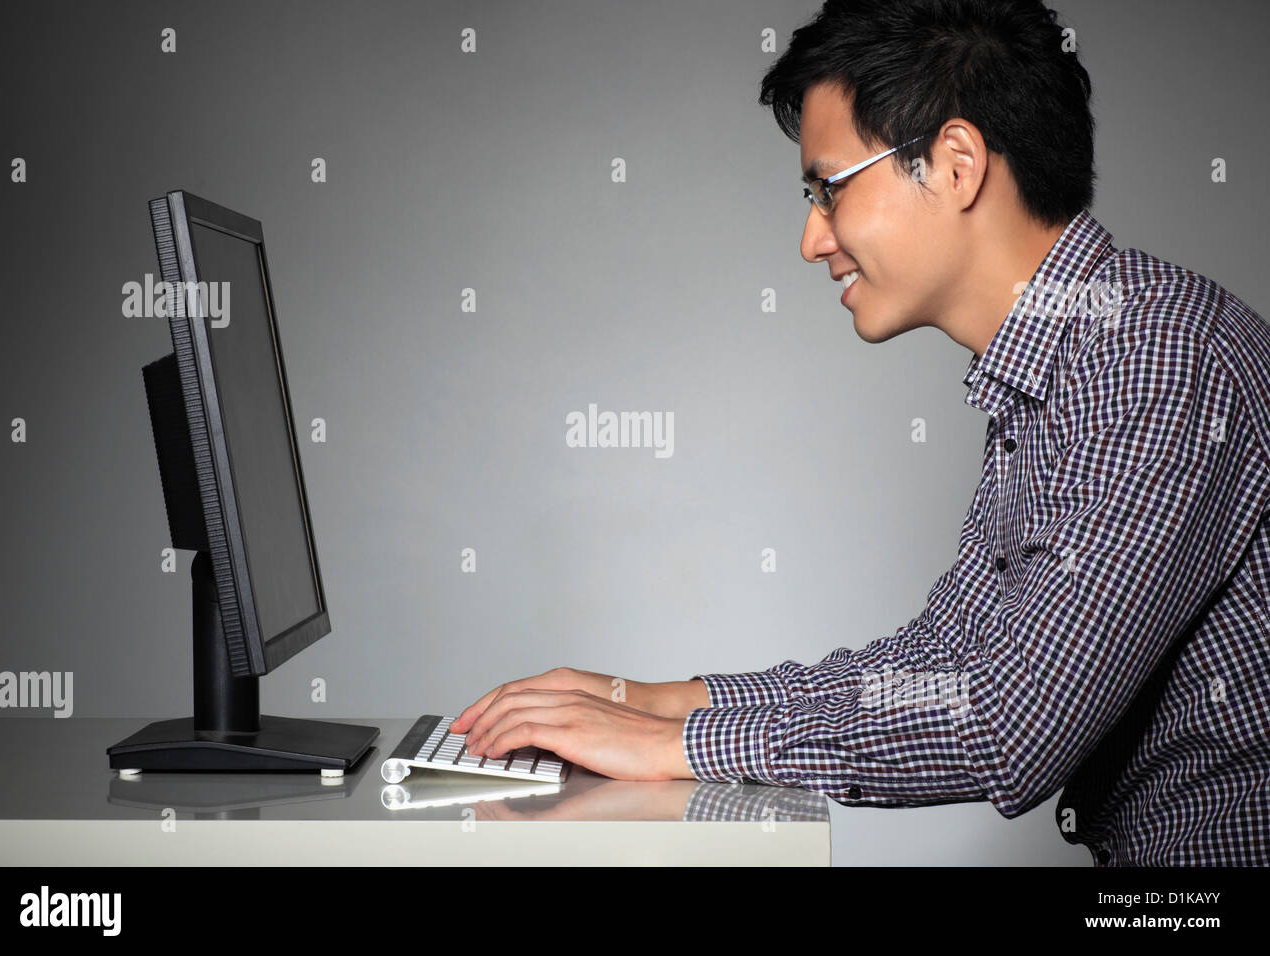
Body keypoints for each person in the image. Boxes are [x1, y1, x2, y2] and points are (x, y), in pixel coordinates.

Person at [453, 0, 1270, 866]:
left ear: (956, 164)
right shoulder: (1069, 362)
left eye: (830, 189)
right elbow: (941, 658)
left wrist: (669, 749)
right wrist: (657, 702)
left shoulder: (1158, 358)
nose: (812, 240)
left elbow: (1008, 722)